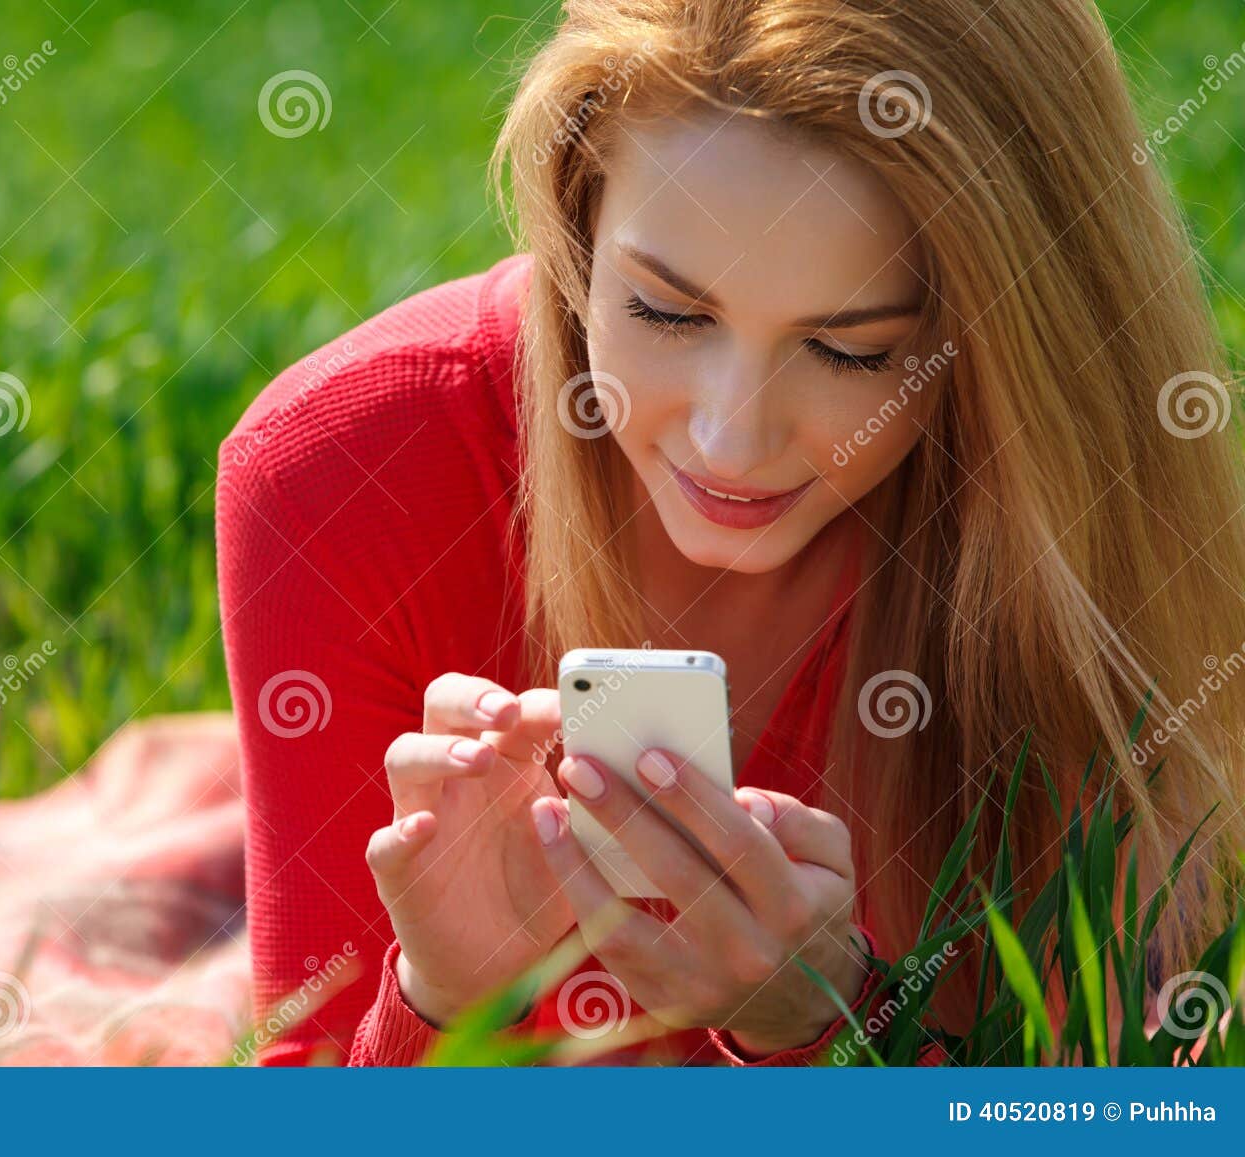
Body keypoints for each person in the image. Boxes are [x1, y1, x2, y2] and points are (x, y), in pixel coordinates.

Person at [216, 0, 1245, 1065]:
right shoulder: (342, 472)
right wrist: (445, 998)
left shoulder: (1075, 513)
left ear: (1007, 340)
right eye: (665, 313)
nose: (731, 439)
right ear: (574, 228)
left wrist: (825, 1023)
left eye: (851, 350)